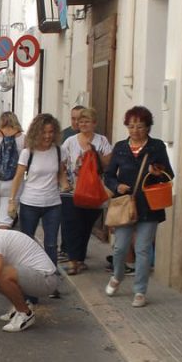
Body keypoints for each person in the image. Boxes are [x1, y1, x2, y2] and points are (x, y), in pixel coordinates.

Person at [103, 105, 174, 307]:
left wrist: (158, 173)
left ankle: (140, 291)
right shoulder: (120, 147)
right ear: (127, 127)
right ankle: (117, 276)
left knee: (143, 249)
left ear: (148, 127)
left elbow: (169, 173)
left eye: (140, 126)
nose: (136, 130)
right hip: (125, 204)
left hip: (149, 205)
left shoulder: (156, 147)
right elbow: (108, 175)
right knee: (120, 248)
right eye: (132, 126)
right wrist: (118, 185)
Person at [59, 107, 113, 275]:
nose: (82, 124)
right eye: (80, 121)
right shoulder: (70, 141)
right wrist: (63, 182)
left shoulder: (102, 141)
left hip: (93, 192)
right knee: (71, 225)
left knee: (85, 226)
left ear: (94, 123)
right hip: (71, 191)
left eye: (86, 121)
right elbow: (61, 163)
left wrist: (94, 153)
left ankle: (79, 259)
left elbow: (108, 165)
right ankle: (73, 262)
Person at [8, 113, 65, 268]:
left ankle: (50, 278)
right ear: (36, 132)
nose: (47, 136)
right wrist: (12, 201)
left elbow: (61, 174)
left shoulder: (59, 151)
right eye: (44, 132)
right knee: (27, 241)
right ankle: (28, 275)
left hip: (53, 203)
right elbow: (18, 178)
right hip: (30, 203)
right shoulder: (28, 153)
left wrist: (66, 185)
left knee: (52, 244)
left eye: (51, 132)